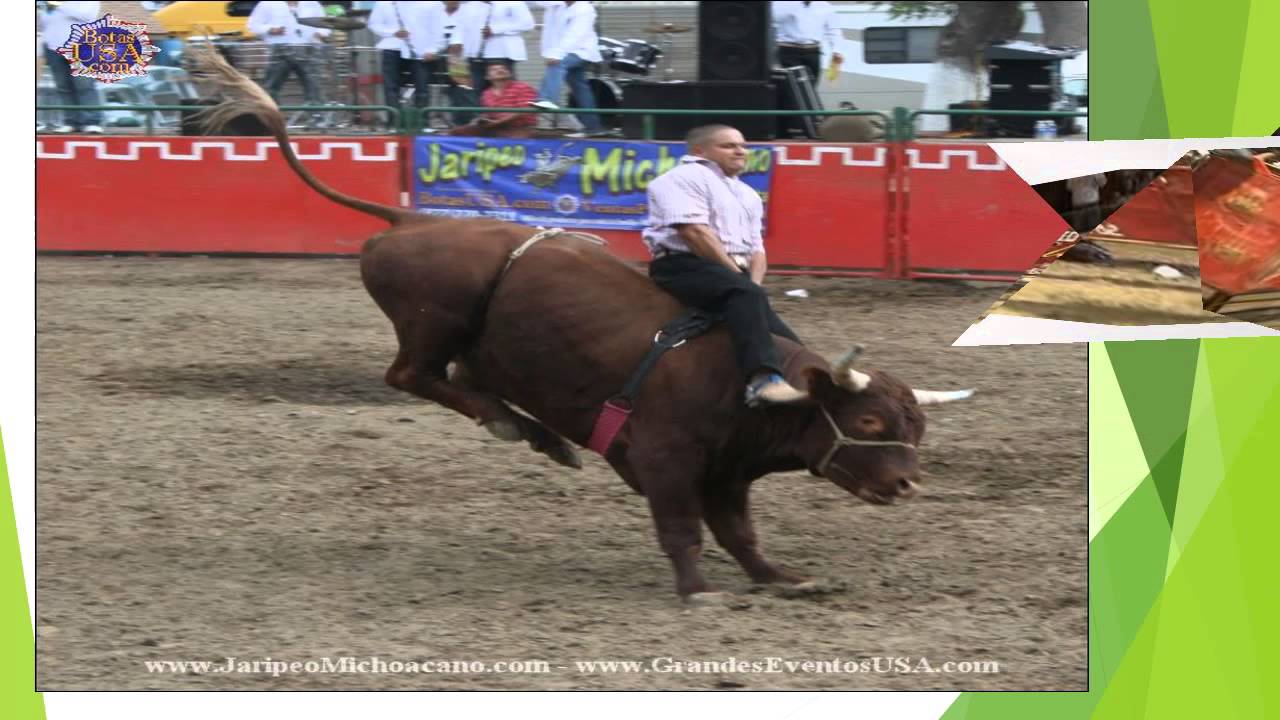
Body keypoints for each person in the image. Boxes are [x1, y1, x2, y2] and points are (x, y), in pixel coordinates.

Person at [643, 124, 806, 407]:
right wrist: (741, 282)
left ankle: (817, 379)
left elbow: (756, 248)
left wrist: (753, 285)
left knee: (784, 337)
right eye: (728, 145)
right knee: (748, 298)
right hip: (682, 265)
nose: (740, 150)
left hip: (730, 273)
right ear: (699, 151)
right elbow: (694, 233)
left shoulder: (748, 195)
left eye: (742, 145)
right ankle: (763, 380)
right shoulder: (681, 178)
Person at [531, 0, 602, 135]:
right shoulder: (560, 6)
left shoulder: (584, 8)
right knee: (580, 88)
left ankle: (547, 100)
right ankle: (593, 127)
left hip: (581, 51)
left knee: (558, 65)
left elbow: (575, 35)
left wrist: (557, 54)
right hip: (567, 51)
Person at [369, 1, 446, 125]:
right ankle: (394, 123)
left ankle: (421, 124)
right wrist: (393, 32)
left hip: (420, 50)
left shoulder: (433, 4)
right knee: (391, 88)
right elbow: (374, 24)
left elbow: (439, 29)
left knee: (422, 89)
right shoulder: (384, 3)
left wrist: (433, 49)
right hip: (392, 48)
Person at [247, 1, 330, 111]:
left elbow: (325, 24)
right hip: (279, 49)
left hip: (308, 49)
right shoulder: (266, 4)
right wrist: (270, 29)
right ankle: (271, 117)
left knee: (314, 86)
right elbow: (253, 25)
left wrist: (321, 33)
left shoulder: (312, 3)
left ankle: (318, 119)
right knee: (271, 87)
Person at [40, 1, 104, 134]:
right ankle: (71, 121)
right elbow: (45, 24)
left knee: (84, 85)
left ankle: (92, 121)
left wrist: (59, 5)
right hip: (53, 46)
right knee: (63, 86)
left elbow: (87, 16)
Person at [447, 62, 538, 137]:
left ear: (510, 73)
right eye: (494, 69)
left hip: (520, 129)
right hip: (495, 127)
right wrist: (481, 119)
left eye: (504, 68)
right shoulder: (486, 93)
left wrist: (498, 122)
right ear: (487, 77)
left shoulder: (523, 87)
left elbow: (524, 111)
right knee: (456, 132)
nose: (500, 70)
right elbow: (488, 115)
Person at [771, 0, 843, 86]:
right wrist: (796, 5)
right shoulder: (781, 3)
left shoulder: (825, 6)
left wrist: (837, 50)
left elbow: (833, 30)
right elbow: (774, 18)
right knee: (791, 88)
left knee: (810, 88)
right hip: (788, 51)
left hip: (812, 51)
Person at [440, 0, 487, 124]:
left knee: (477, 91)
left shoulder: (489, 7)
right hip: (461, 58)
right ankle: (462, 122)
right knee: (461, 89)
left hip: (484, 57)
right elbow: (459, 30)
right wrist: (455, 45)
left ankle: (479, 120)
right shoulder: (467, 8)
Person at [474, 1, 535, 90]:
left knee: (506, 91)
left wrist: (495, 29)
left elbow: (527, 24)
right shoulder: (476, 4)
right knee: (482, 92)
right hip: (477, 55)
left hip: (501, 53)